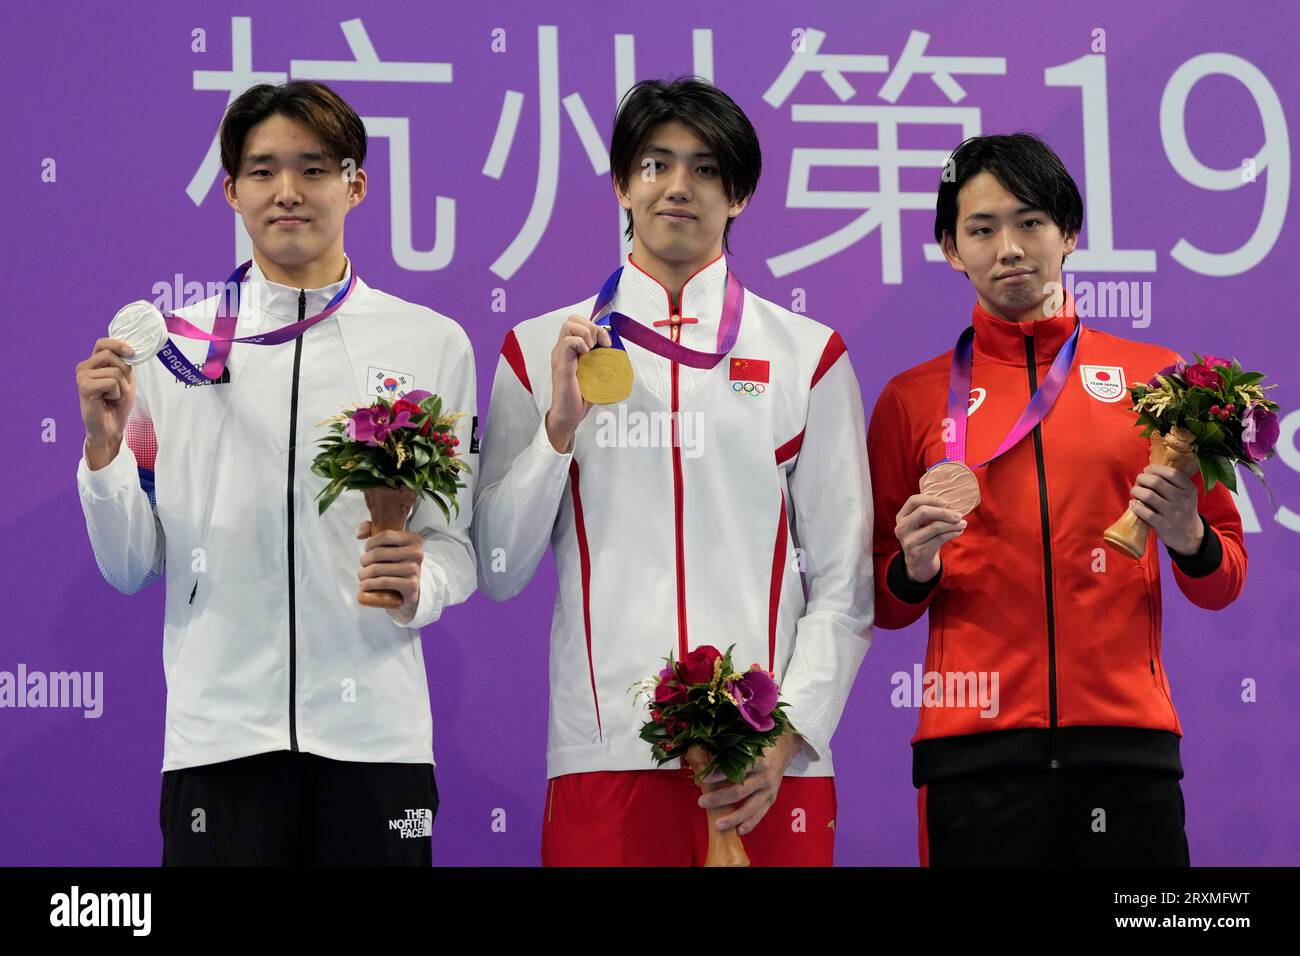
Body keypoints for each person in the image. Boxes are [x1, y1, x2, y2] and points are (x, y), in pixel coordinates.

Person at [472, 76, 873, 867]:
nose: (678, 186)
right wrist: (558, 431)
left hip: (767, 766)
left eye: (707, 168)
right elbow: (499, 567)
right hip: (604, 758)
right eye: (655, 165)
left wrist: (786, 734)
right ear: (623, 184)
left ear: (740, 195)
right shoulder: (540, 349)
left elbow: (844, 578)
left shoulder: (808, 355)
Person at [74, 81, 477, 866]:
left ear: (356, 185)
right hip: (219, 740)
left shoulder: (431, 343)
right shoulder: (172, 351)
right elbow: (129, 566)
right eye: (262, 171)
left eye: (314, 168)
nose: (287, 191)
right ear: (232, 191)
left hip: (376, 740)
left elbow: (456, 544)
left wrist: (419, 585)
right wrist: (103, 450)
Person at [867, 133, 1247, 866]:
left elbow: (1224, 578)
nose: (1009, 248)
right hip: (973, 759)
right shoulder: (909, 399)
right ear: (951, 249)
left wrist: (1189, 535)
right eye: (982, 229)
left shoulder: (1157, 383)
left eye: (1031, 222)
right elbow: (883, 603)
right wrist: (913, 566)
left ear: (1069, 232)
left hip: (1127, 750)